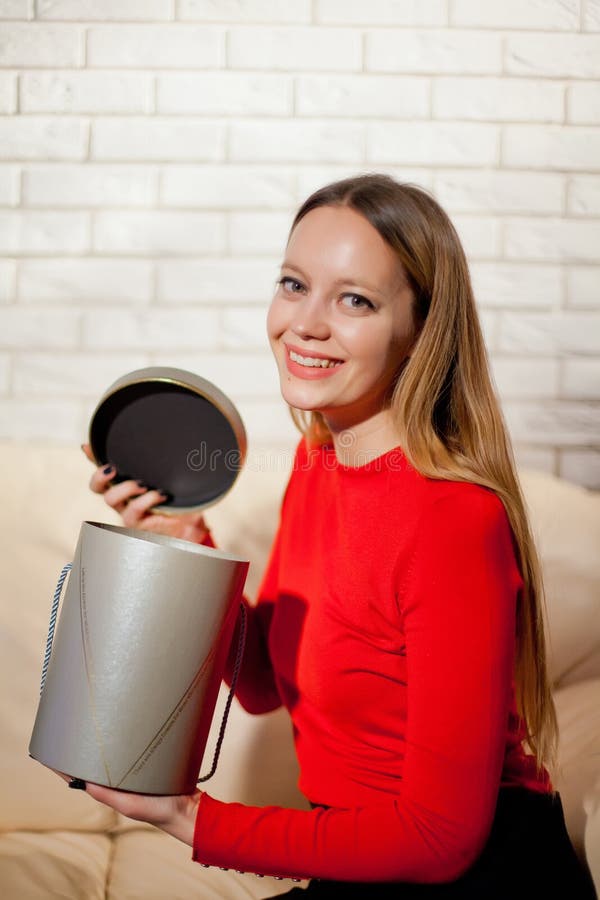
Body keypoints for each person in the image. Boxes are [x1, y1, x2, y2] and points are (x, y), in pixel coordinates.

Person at [66, 174, 596, 898]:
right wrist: (188, 548)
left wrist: (192, 818)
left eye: (355, 300)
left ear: (421, 330)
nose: (306, 324)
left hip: (476, 879)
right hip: (360, 865)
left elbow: (439, 840)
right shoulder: (317, 460)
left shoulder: (454, 520)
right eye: (294, 284)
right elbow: (264, 685)